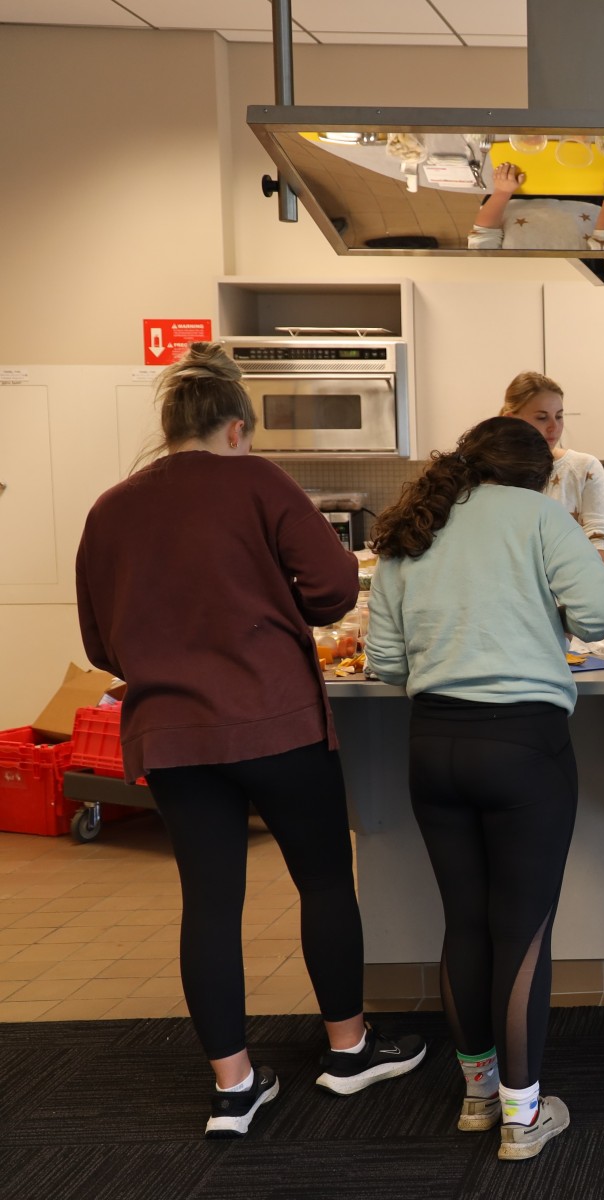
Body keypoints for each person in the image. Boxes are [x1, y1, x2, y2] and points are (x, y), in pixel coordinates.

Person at [74, 343, 425, 1139]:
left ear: (169, 428)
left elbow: (101, 644)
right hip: (276, 721)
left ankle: (234, 1088)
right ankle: (348, 1050)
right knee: (325, 884)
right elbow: (335, 588)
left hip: (171, 734)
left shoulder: (111, 508)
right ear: (237, 427)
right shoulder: (259, 482)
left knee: (209, 904)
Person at [365, 417, 604, 1161]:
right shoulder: (542, 516)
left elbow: (385, 661)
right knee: (523, 932)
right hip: (521, 748)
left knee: (465, 924)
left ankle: (477, 1098)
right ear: (541, 475)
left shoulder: (419, 522)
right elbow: (601, 616)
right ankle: (522, 1115)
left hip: (432, 745)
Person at [499, 371, 604, 568]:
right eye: (542, 418)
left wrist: (593, 590)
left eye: (559, 416)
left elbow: (600, 538)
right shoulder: (493, 472)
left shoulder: (584, 468)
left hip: (568, 595)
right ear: (512, 420)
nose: (554, 427)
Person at [468, 161, 604, 251]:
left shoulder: (491, 274)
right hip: (585, 200)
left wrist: (502, 191)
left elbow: (484, 233)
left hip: (515, 193)